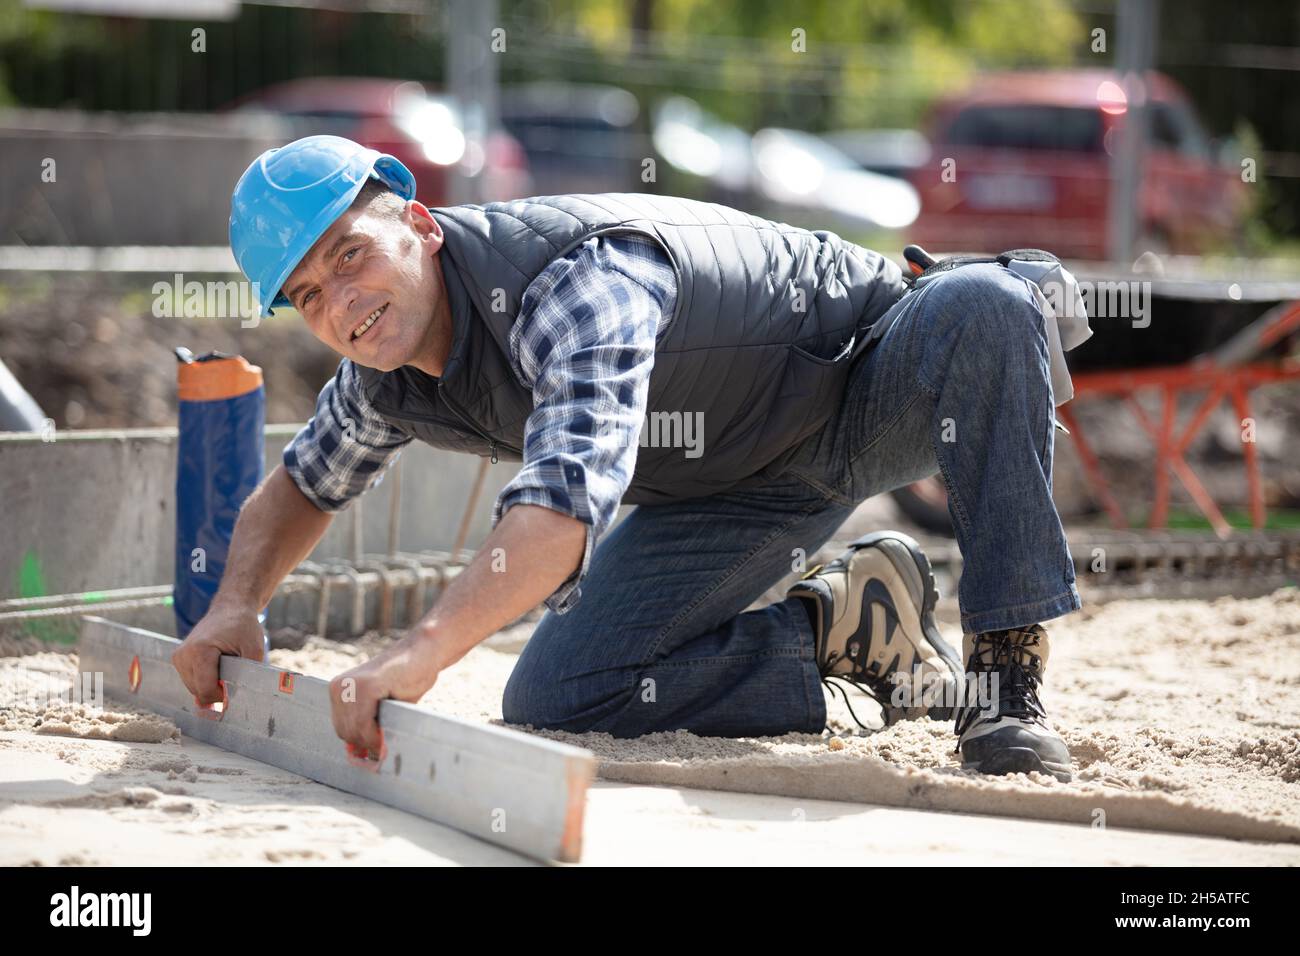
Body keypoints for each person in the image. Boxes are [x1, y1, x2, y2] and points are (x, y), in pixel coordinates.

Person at [172, 134, 1078, 783]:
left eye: (352, 255)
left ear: (421, 223)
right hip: (735, 483)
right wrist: (233, 607)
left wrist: (420, 653)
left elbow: (563, 503)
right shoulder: (382, 369)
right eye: (309, 295)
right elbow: (303, 482)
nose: (341, 303)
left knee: (985, 305)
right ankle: (848, 634)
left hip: (862, 381)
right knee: (564, 691)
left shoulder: (573, 279)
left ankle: (1006, 683)